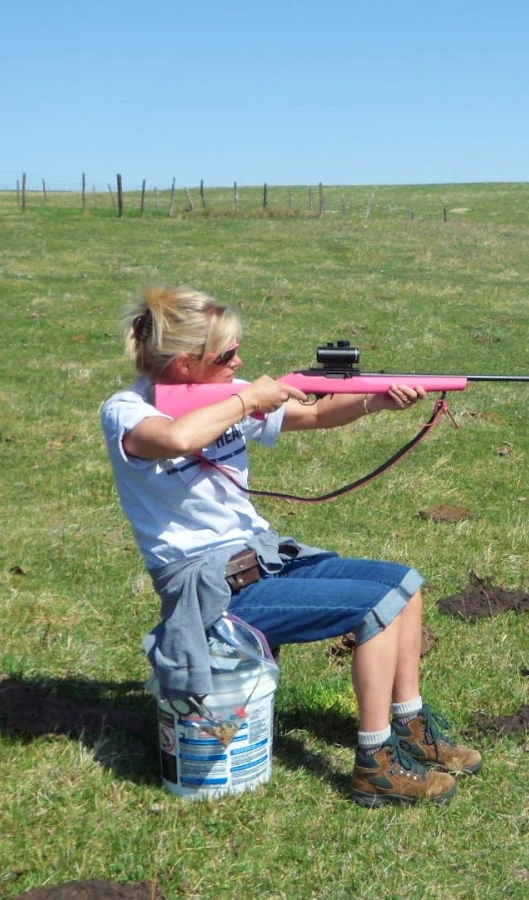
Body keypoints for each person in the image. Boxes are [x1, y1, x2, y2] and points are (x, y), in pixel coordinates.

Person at [101, 285, 480, 808]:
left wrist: (376, 398)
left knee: (405, 584)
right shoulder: (127, 410)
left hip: (261, 558)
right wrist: (246, 399)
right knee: (378, 604)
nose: (240, 363)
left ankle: (412, 727)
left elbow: (317, 415)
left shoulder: (226, 396)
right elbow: (175, 440)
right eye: (227, 356)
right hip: (210, 587)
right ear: (186, 364)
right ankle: (377, 765)